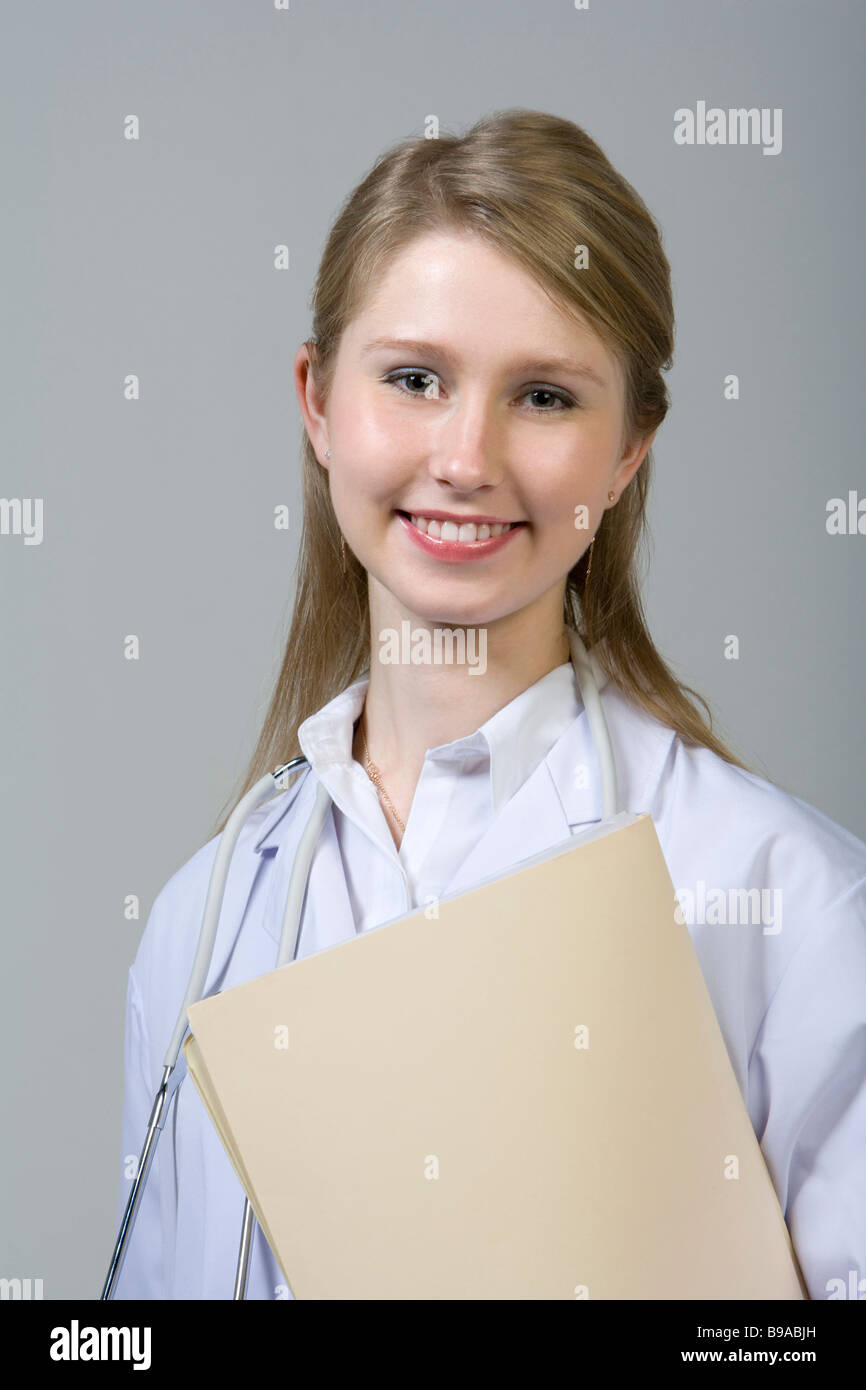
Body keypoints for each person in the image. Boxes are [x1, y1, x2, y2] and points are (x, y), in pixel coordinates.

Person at [112, 108, 866, 1301]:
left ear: (629, 450)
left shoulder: (790, 904)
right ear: (316, 402)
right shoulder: (204, 925)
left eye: (546, 397)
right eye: (413, 378)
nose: (466, 457)